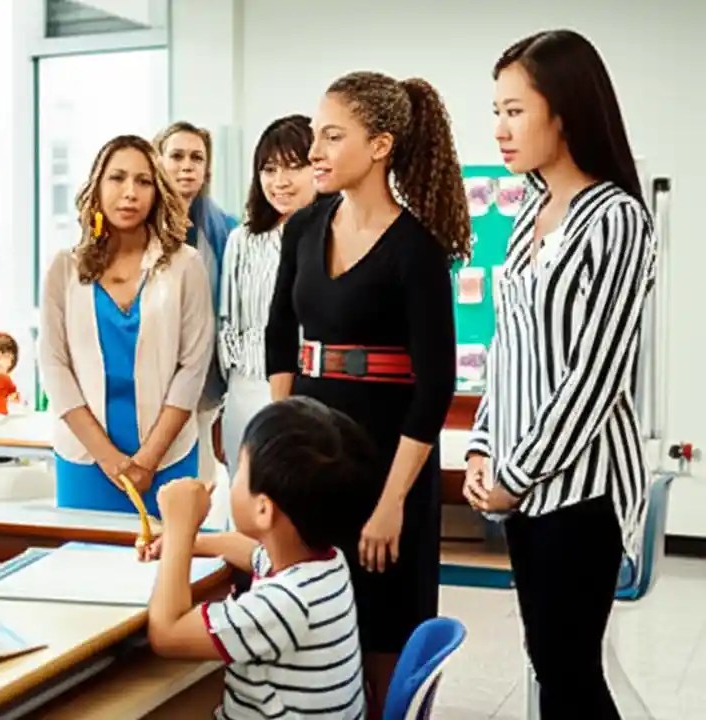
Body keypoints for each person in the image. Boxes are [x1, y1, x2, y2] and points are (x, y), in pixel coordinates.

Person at [464, 30, 656, 719]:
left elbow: (595, 377)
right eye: (496, 111)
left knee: (568, 667)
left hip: (581, 489)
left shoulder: (618, 221)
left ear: (564, 111)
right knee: (550, 662)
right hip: (522, 482)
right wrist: (484, 445)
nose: (500, 129)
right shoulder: (526, 217)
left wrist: (516, 474)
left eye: (514, 110)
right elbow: (506, 351)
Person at [264, 71, 467, 717]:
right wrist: (278, 441)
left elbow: (435, 384)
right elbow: (278, 334)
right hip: (312, 454)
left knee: (381, 621)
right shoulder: (303, 228)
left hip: (389, 462)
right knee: (309, 618)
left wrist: (390, 504)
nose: (314, 151)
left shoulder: (417, 250)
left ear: (379, 145)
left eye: (331, 136)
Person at [141, 398, 372, 719]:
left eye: (240, 471)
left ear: (264, 509)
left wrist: (180, 526)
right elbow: (252, 553)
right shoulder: (326, 564)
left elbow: (167, 635)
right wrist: (188, 544)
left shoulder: (282, 604)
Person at [38, 135, 213, 517]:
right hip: (85, 457)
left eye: (143, 181)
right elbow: (53, 365)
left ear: (157, 192)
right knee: (86, 566)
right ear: (97, 187)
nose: (130, 192)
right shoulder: (63, 268)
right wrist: (108, 458)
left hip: (168, 458)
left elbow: (194, 366)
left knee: (165, 567)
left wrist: (147, 460)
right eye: (117, 178)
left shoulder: (186, 265)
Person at [218, 115, 318, 475]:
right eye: (269, 169)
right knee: (245, 510)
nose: (280, 182)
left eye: (294, 167)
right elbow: (226, 323)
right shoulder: (243, 239)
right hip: (246, 391)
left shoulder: (333, 237)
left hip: (311, 393)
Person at [154, 122, 239, 487]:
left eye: (196, 158)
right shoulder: (137, 229)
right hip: (149, 383)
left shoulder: (228, 230)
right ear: (157, 162)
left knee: (198, 487)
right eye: (176, 156)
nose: (186, 166)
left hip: (205, 385)